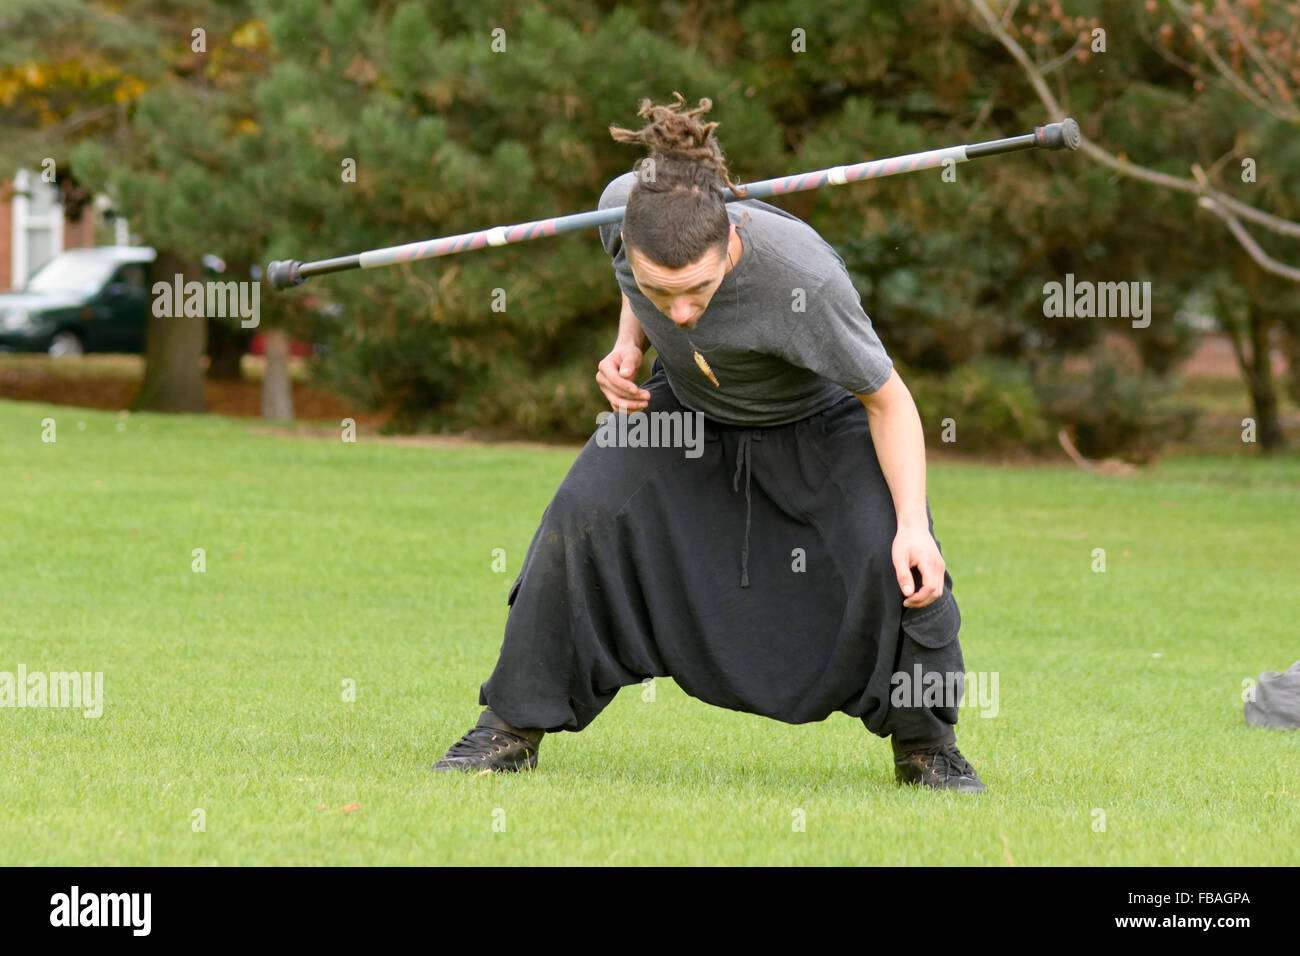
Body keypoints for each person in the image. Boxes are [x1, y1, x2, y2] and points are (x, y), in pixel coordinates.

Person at [432, 92, 986, 792]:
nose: (683, 311)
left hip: (812, 427)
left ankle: (926, 746)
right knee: (579, 519)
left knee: (893, 557)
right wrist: (628, 344)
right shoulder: (621, 210)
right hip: (686, 416)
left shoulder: (803, 279)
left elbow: (890, 401)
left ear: (730, 243)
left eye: (697, 289)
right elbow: (634, 287)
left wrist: (913, 526)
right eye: (666, 294)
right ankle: (508, 729)